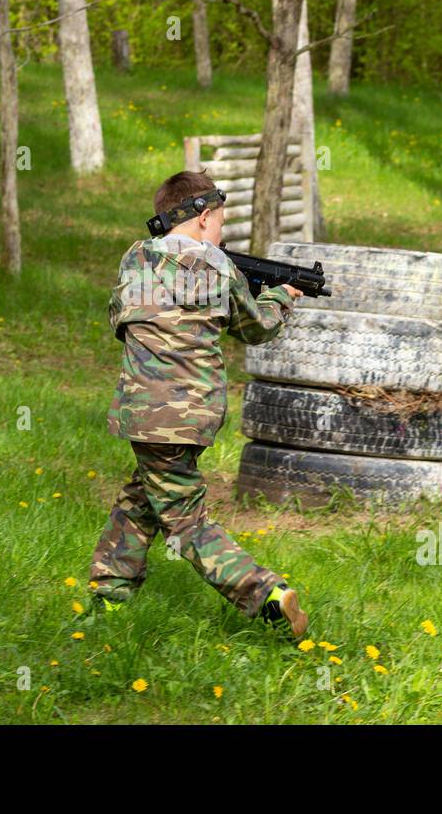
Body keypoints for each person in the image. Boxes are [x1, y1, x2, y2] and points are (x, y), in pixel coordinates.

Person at [87, 169, 309, 636]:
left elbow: (120, 321)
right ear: (205, 217)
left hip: (146, 410)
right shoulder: (221, 268)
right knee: (148, 501)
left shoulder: (134, 257)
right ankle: (112, 594)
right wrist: (280, 298)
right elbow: (256, 328)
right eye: (222, 220)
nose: (222, 230)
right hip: (197, 413)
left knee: (177, 512)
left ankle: (262, 592)